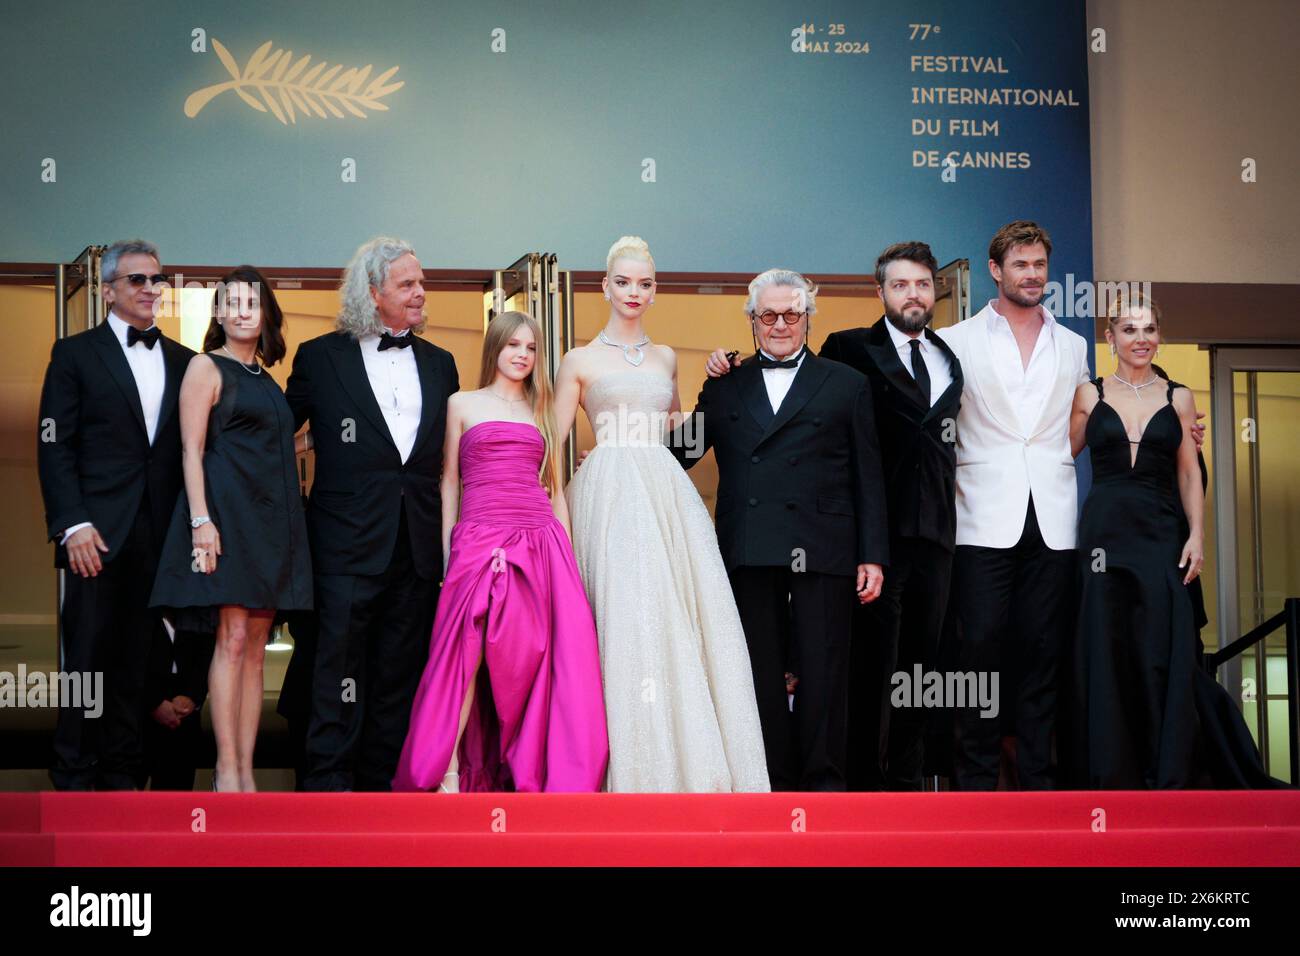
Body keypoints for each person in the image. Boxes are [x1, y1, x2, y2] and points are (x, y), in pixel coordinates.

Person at [556, 236, 769, 793]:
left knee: (678, 616)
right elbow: (549, 446)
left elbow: (683, 434)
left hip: (665, 494)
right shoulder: (576, 360)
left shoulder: (667, 356)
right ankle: (617, 768)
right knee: (618, 615)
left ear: (654, 291)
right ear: (604, 286)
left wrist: (723, 385)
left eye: (644, 283)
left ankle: (683, 768)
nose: (634, 292)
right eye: (623, 281)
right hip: (604, 495)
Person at [1062, 292, 1285, 788]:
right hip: (1101, 536)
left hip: (1161, 533)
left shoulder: (1178, 397)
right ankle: (1107, 771)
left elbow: (1189, 475)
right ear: (1110, 337)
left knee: (1160, 648)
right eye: (1129, 329)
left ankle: (1166, 772)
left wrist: (1198, 536)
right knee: (1104, 646)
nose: (1140, 339)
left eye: (1149, 330)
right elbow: (1055, 459)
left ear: (1158, 336)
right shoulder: (1087, 394)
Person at [679, 268, 888, 791]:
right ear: (752, 320)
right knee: (757, 674)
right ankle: (770, 784)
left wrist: (873, 554)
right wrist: (620, 453)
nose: (780, 325)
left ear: (808, 319)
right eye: (768, 315)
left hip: (825, 545)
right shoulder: (726, 385)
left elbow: (869, 475)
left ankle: (825, 786)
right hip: (749, 544)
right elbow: (683, 450)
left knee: (824, 670)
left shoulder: (847, 384)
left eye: (791, 314)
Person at [393, 312, 608, 792]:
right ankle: (446, 769)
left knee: (529, 658)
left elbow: (552, 489)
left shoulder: (543, 411)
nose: (522, 356)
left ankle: (525, 769)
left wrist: (567, 558)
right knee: (462, 655)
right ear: (495, 348)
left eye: (530, 348)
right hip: (477, 536)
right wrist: (451, 548)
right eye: (513, 345)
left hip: (538, 538)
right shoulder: (461, 403)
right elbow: (449, 481)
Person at [284, 238, 459, 791]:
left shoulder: (441, 364)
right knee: (335, 673)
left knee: (399, 677)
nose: (420, 293)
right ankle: (328, 795)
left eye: (421, 282)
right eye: (407, 284)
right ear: (372, 291)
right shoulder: (318, 357)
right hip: (343, 548)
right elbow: (270, 438)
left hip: (418, 547)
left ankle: (387, 795)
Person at [931, 221, 1091, 791]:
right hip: (979, 518)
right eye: (1020, 264)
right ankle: (975, 783)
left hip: (1052, 518)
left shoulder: (1074, 346)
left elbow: (1079, 426)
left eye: (1040, 265)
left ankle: (1037, 782)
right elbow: (934, 427)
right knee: (978, 656)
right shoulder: (955, 340)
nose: (1032, 274)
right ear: (996, 271)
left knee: (1043, 652)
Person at [37, 239, 194, 790]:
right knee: (88, 655)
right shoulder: (74, 353)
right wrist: (72, 523)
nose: (152, 289)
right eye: (138, 280)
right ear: (107, 290)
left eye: (158, 279)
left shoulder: (184, 360)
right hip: (95, 534)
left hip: (159, 534)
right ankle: (76, 772)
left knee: (141, 658)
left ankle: (122, 774)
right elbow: (54, 444)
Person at [149, 266, 313, 791]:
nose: (243, 310)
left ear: (265, 313)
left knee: (259, 642)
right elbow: (190, 452)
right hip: (224, 519)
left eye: (252, 302)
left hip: (272, 524)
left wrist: (315, 443)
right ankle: (225, 770)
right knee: (233, 636)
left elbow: (269, 450)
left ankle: (246, 771)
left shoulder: (268, 380)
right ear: (219, 313)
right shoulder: (205, 367)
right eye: (233, 302)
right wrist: (201, 522)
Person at [818, 242, 963, 790]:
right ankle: (863, 787)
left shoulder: (949, 357)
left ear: (934, 291)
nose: (913, 294)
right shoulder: (848, 348)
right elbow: (800, 397)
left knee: (922, 668)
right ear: (879, 292)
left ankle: (908, 785)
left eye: (922, 284)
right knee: (872, 664)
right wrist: (726, 365)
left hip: (936, 535)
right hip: (875, 538)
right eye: (900, 285)